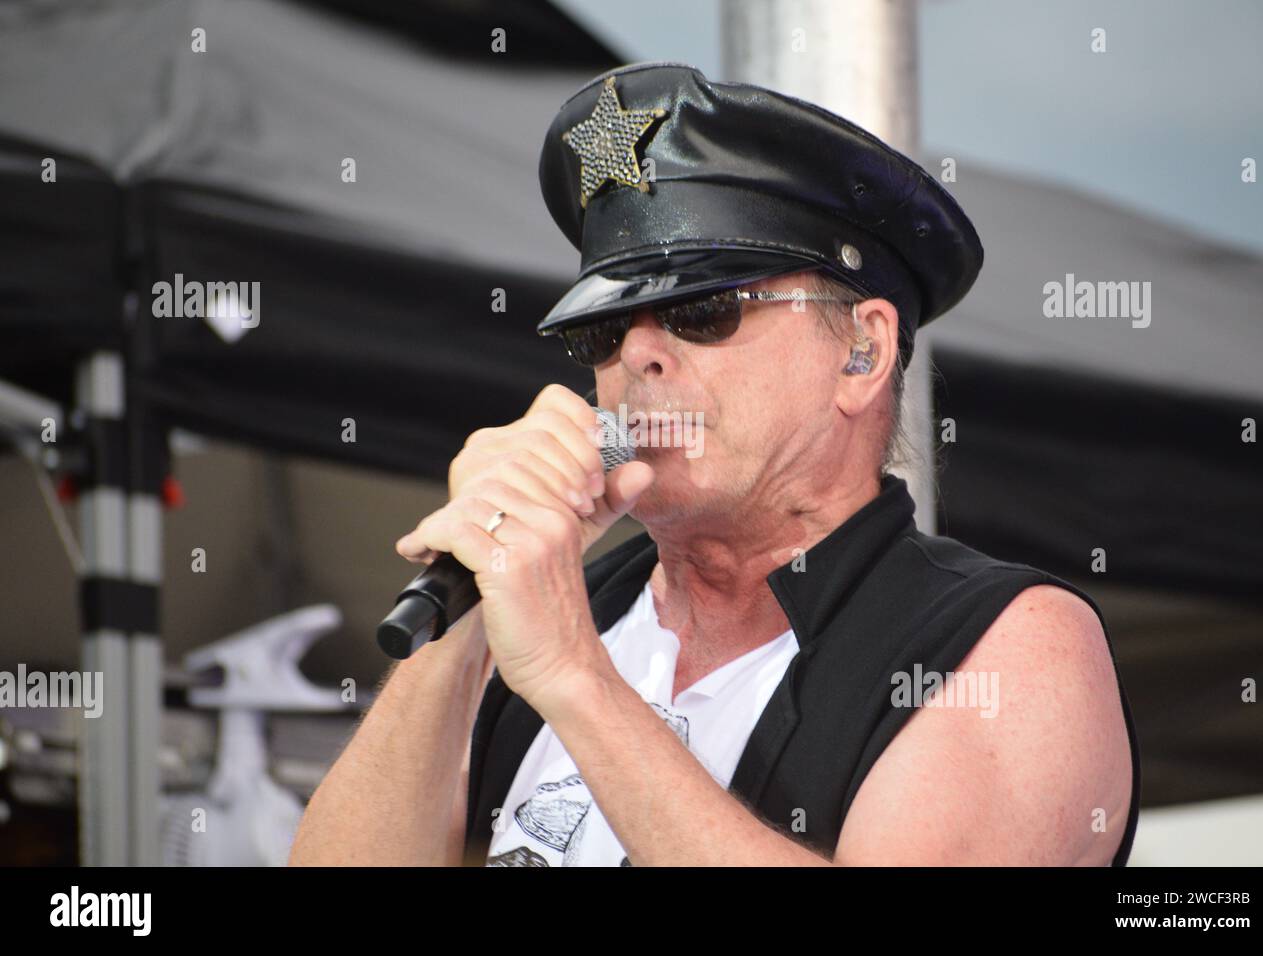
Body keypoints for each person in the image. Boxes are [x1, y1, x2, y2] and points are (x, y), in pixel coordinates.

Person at [290, 63, 1139, 867]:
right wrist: (466, 612)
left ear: (862, 351)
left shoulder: (1012, 644)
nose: (639, 356)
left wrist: (575, 680)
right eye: (602, 331)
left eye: (703, 310)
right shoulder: (543, 613)